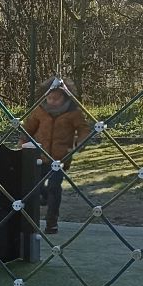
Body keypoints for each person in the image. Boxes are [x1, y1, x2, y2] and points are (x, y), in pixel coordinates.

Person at [22, 80, 93, 235]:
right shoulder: (39, 110)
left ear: (65, 98)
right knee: (36, 186)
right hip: (40, 155)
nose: (52, 101)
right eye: (50, 98)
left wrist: (80, 143)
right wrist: (23, 143)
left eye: (57, 98)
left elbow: (83, 129)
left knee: (55, 187)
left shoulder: (73, 112)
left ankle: (51, 222)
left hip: (60, 157)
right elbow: (28, 129)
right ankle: (42, 201)